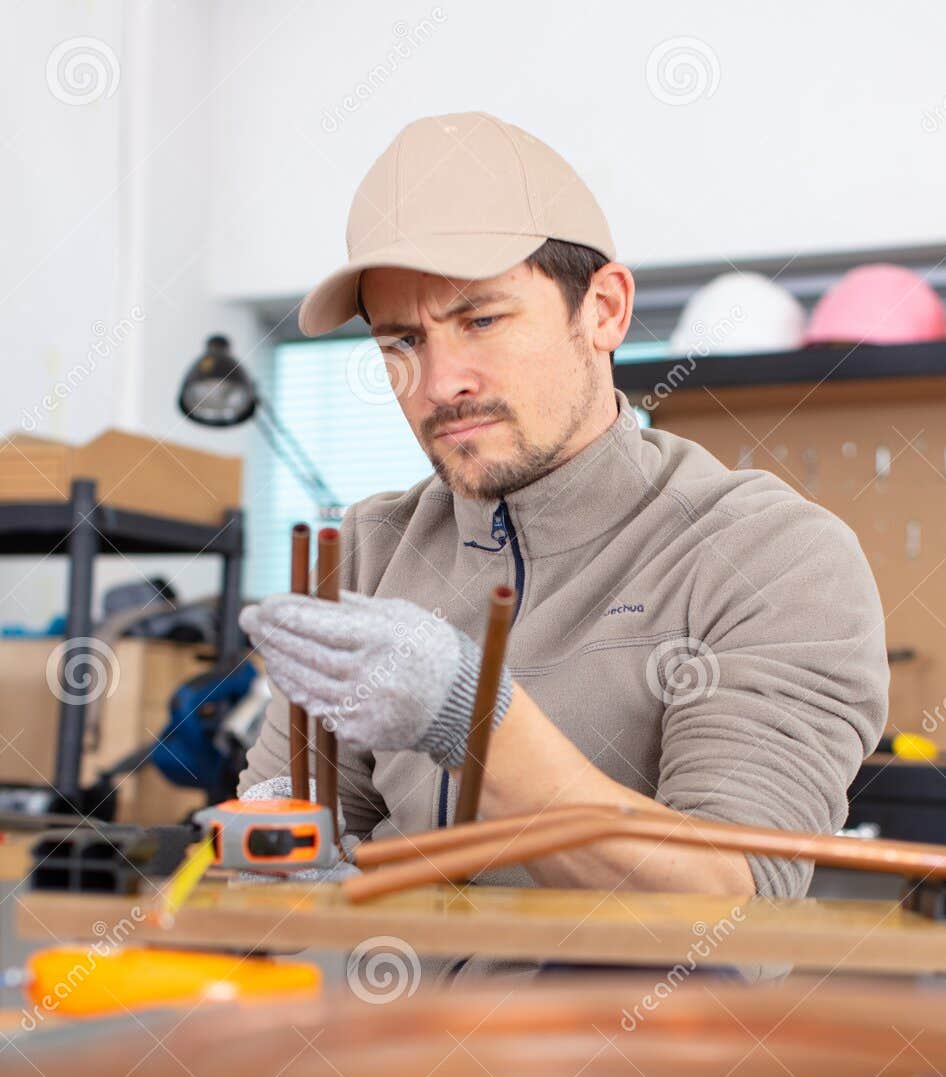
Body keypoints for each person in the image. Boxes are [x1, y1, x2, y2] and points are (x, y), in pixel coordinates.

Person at [239, 110, 888, 910]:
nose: (440, 383)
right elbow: (272, 868)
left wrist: (470, 717)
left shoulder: (770, 556)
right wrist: (266, 864)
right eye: (401, 342)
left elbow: (731, 909)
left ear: (604, 310)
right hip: (387, 1030)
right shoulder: (366, 553)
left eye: (480, 319)